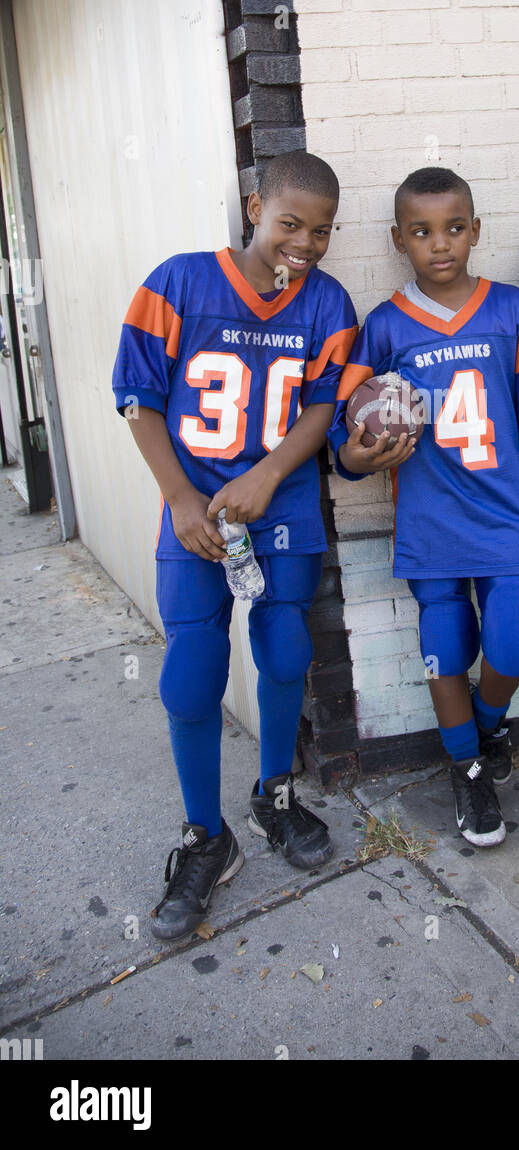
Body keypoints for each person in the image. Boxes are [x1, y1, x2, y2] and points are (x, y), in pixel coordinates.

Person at [112, 151, 357, 938]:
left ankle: (274, 794)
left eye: (321, 232)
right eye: (291, 224)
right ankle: (202, 836)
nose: (306, 244)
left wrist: (272, 471)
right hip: (197, 513)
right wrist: (179, 494)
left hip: (279, 503)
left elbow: (322, 406)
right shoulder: (178, 282)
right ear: (255, 207)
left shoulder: (328, 303)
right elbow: (137, 398)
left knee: (286, 651)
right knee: (192, 675)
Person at [329, 167, 519, 847]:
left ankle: (488, 722)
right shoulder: (384, 326)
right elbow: (345, 433)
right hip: (429, 516)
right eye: (423, 231)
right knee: (445, 645)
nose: (440, 244)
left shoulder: (513, 309)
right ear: (399, 239)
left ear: (476, 231)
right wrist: (355, 457)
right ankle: (466, 767)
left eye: (454, 228)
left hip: (506, 510)